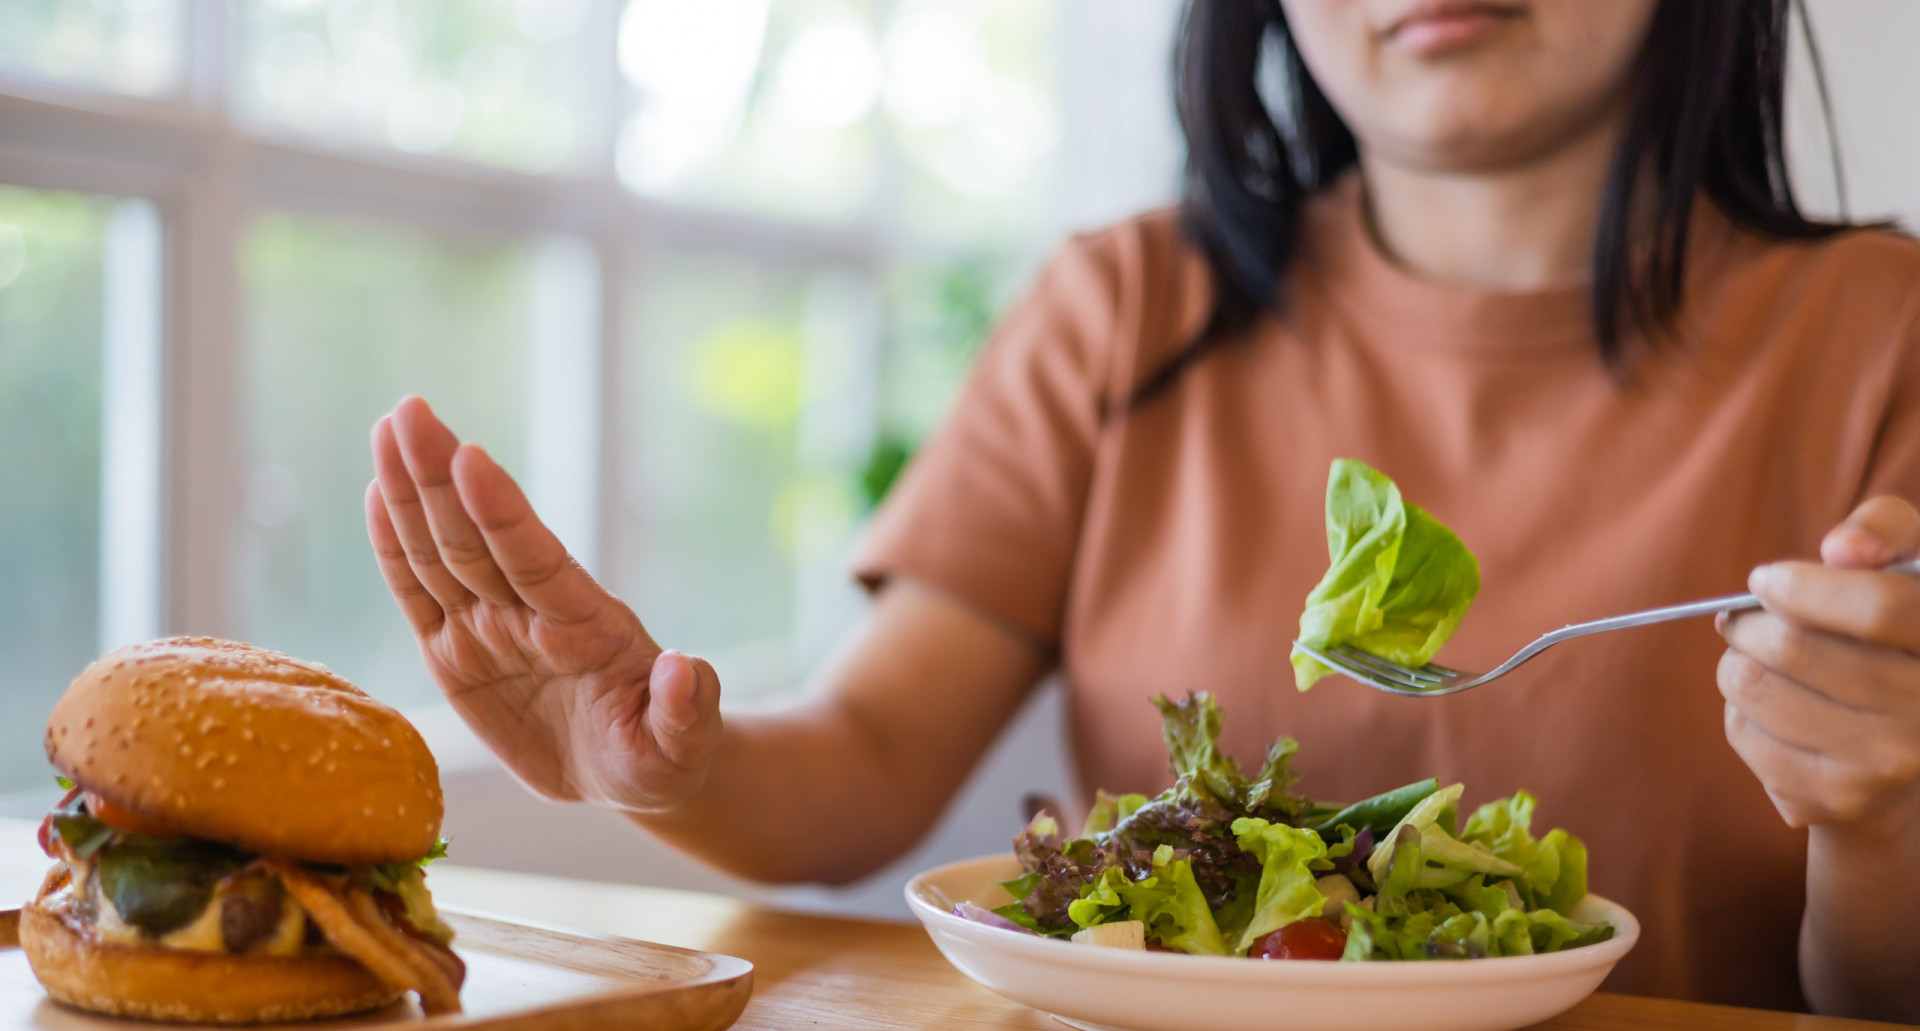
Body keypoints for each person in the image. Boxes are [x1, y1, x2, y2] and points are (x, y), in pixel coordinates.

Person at [363, 0, 1920, 1021]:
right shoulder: (1125, 307)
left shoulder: (1883, 334)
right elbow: (865, 767)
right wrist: (655, 754)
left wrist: (1883, 802)